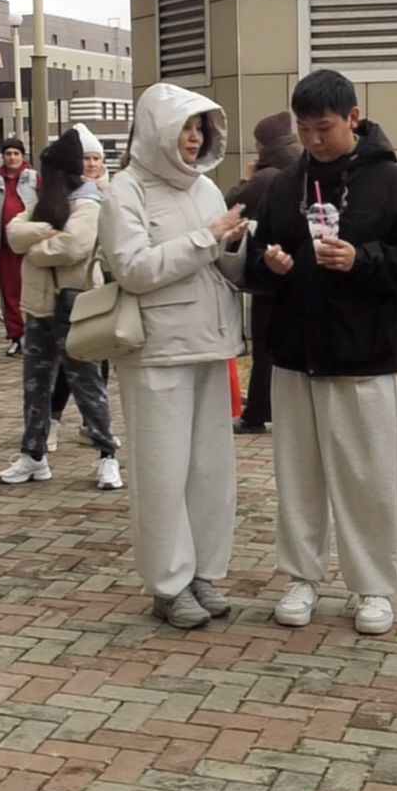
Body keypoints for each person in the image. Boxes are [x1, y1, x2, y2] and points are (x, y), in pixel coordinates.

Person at [244, 71, 397, 636]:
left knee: (368, 478)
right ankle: (301, 577)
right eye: (304, 129)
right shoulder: (285, 184)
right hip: (293, 354)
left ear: (353, 118)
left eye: (324, 128)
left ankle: (374, 586)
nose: (313, 139)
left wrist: (363, 260)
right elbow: (259, 258)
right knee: (298, 476)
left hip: (363, 355)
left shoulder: (391, 183)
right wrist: (270, 266)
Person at [103, 83, 251, 630]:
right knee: (162, 472)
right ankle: (168, 583)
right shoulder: (127, 190)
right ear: (158, 130)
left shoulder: (208, 190)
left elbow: (219, 263)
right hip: (158, 352)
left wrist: (239, 246)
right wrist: (206, 240)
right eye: (186, 128)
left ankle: (204, 572)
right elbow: (132, 269)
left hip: (213, 345)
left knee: (211, 470)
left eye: (201, 130)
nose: (194, 139)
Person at [0, 129, 123, 490]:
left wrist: (34, 246)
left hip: (75, 308)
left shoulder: (89, 204)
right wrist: (43, 234)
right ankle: (33, 455)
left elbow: (72, 247)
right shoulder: (43, 207)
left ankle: (106, 455)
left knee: (87, 385)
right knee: (35, 385)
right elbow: (12, 233)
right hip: (38, 308)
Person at [226, 111, 302, 436]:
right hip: (300, 273)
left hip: (269, 267)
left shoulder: (267, 176)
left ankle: (256, 412)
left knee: (265, 345)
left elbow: (230, 203)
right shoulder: (304, 166)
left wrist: (247, 177)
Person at [47, 124, 116, 452]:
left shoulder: (113, 193)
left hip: (98, 284)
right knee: (66, 356)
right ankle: (53, 419)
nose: (91, 164)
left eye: (96, 158)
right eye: (86, 158)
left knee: (97, 354)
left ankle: (92, 422)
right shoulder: (64, 194)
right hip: (65, 286)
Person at [0, 138, 37, 356]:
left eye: (16, 153)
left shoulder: (34, 179)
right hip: (6, 247)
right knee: (10, 293)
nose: (12, 158)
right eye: (8, 153)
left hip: (29, 246)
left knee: (31, 291)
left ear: (23, 156)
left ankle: (34, 335)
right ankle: (16, 335)